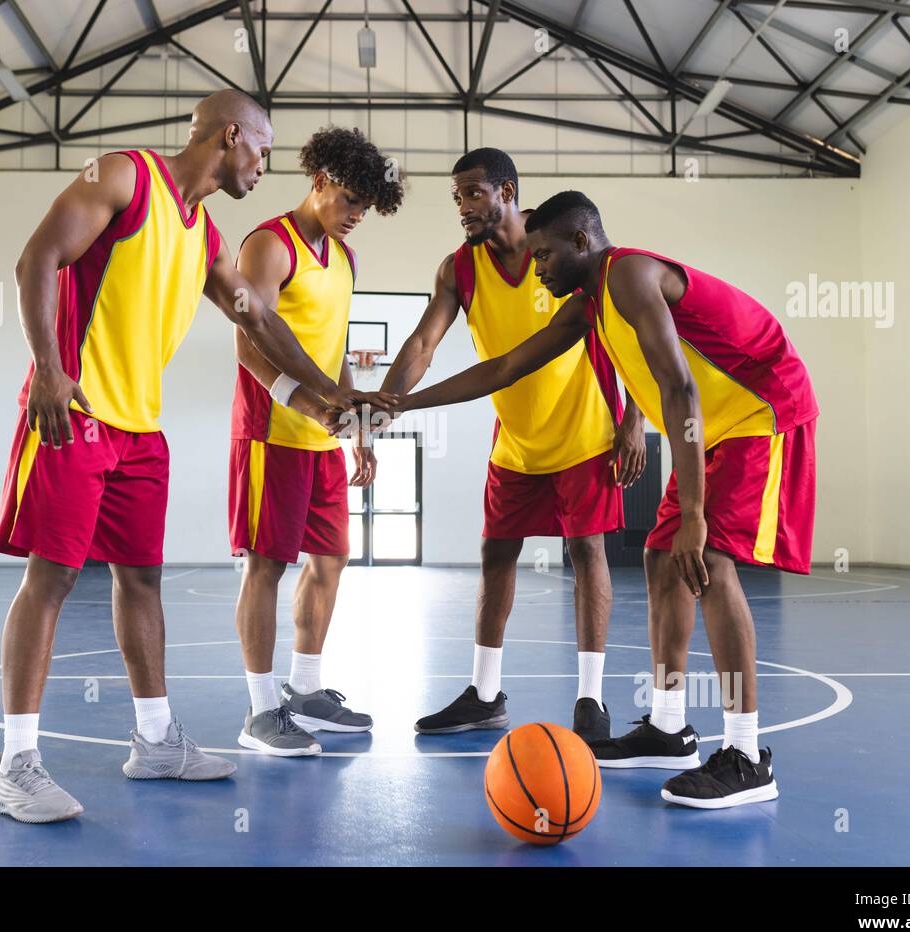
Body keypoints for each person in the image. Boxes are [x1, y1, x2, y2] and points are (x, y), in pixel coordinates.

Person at [0, 91, 388, 823]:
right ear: (231, 135)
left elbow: (258, 316)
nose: (264, 164)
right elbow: (37, 257)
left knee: (142, 582)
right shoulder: (122, 176)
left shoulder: (203, 235)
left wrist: (333, 396)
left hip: (140, 433)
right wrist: (47, 365)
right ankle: (15, 764)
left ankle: (156, 740)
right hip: (74, 412)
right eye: (261, 149)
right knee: (51, 580)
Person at [391, 190, 818, 809]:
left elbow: (679, 392)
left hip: (762, 411)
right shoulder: (590, 302)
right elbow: (508, 366)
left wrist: (695, 515)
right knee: (660, 557)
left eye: (544, 255)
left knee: (710, 562)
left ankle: (748, 756)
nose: (535, 269)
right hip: (719, 426)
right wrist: (403, 403)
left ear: (582, 243)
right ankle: (669, 729)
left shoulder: (634, 276)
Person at [378, 148, 645, 745]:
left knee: (587, 555)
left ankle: (590, 699)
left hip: (585, 425)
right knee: (495, 555)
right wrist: (386, 402)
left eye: (472, 193)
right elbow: (424, 342)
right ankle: (485, 694)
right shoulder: (458, 269)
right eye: (456, 198)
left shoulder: (561, 248)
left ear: (506, 190)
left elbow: (627, 331)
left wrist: (633, 418)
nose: (463, 207)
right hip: (516, 438)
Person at [229, 126, 405, 756]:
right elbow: (248, 346)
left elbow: (334, 355)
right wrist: (310, 404)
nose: (357, 216)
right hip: (271, 433)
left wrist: (355, 427)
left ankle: (305, 691)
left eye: (366, 208)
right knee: (266, 567)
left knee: (330, 562)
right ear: (320, 178)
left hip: (323, 441)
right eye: (351, 200)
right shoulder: (268, 246)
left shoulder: (345, 257)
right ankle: (259, 711)